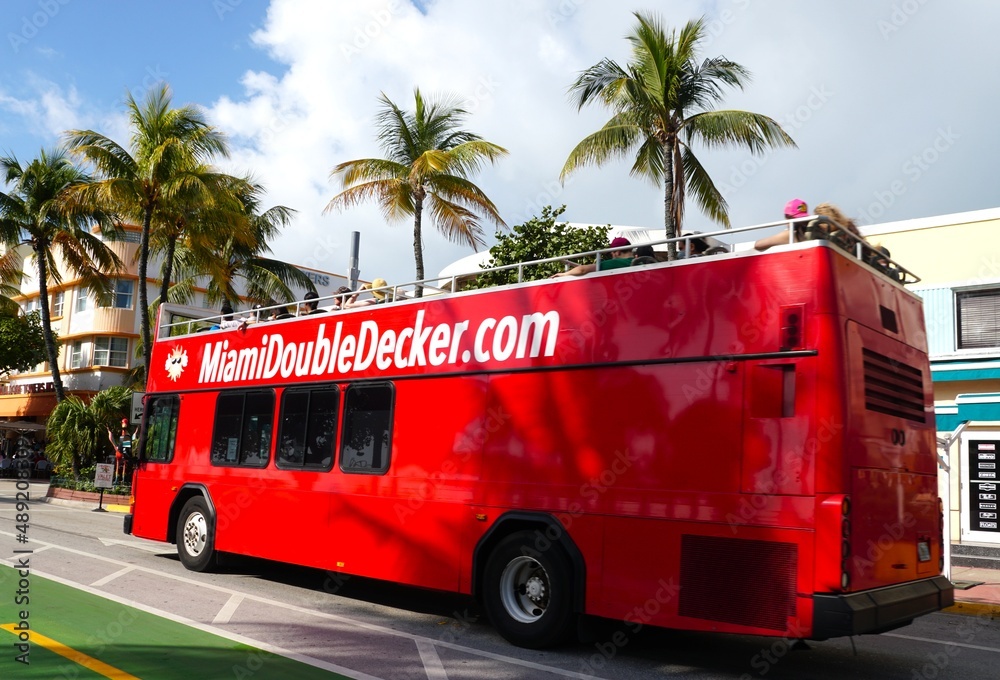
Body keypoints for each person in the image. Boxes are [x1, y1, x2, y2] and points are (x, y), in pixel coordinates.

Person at [551, 237, 634, 277]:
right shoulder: (639, 262)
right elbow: (587, 269)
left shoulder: (615, 263)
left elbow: (582, 270)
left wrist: (564, 274)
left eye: (611, 252)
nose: (611, 255)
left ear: (617, 252)